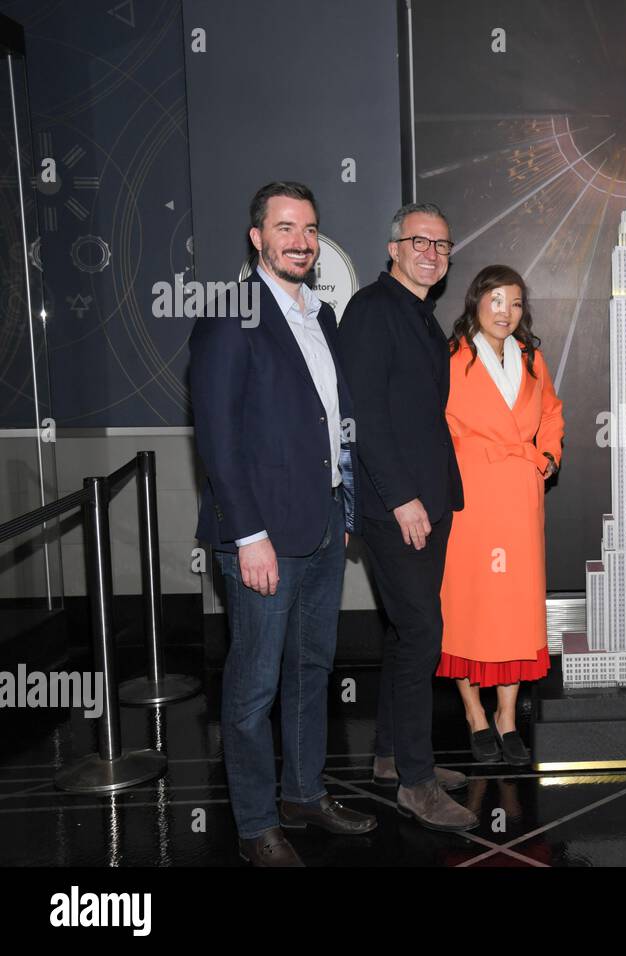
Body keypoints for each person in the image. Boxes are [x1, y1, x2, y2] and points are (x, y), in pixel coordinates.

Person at [191, 181, 375, 867]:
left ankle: (302, 794)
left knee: (312, 668)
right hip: (262, 536)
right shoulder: (229, 315)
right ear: (257, 237)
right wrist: (247, 537)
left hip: (324, 523)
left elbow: (333, 423)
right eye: (285, 228)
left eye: (309, 230)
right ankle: (255, 823)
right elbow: (216, 438)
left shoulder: (321, 316)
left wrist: (344, 506)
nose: (300, 241)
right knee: (254, 683)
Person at [338, 201, 476, 831]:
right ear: (393, 248)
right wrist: (399, 498)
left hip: (428, 502)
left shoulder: (420, 315)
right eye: (419, 241)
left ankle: (392, 757)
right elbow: (363, 414)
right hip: (397, 508)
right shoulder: (371, 311)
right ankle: (417, 785)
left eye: (442, 245)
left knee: (403, 633)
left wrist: (436, 493)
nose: (431, 252)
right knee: (423, 633)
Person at [436, 265, 564, 766]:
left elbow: (552, 411)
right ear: (475, 302)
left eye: (514, 303)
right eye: (495, 300)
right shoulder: (449, 358)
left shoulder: (531, 357)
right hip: (470, 495)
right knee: (470, 603)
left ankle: (509, 717)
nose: (505, 312)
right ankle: (474, 714)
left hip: (519, 493)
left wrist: (549, 455)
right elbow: (434, 424)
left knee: (514, 605)